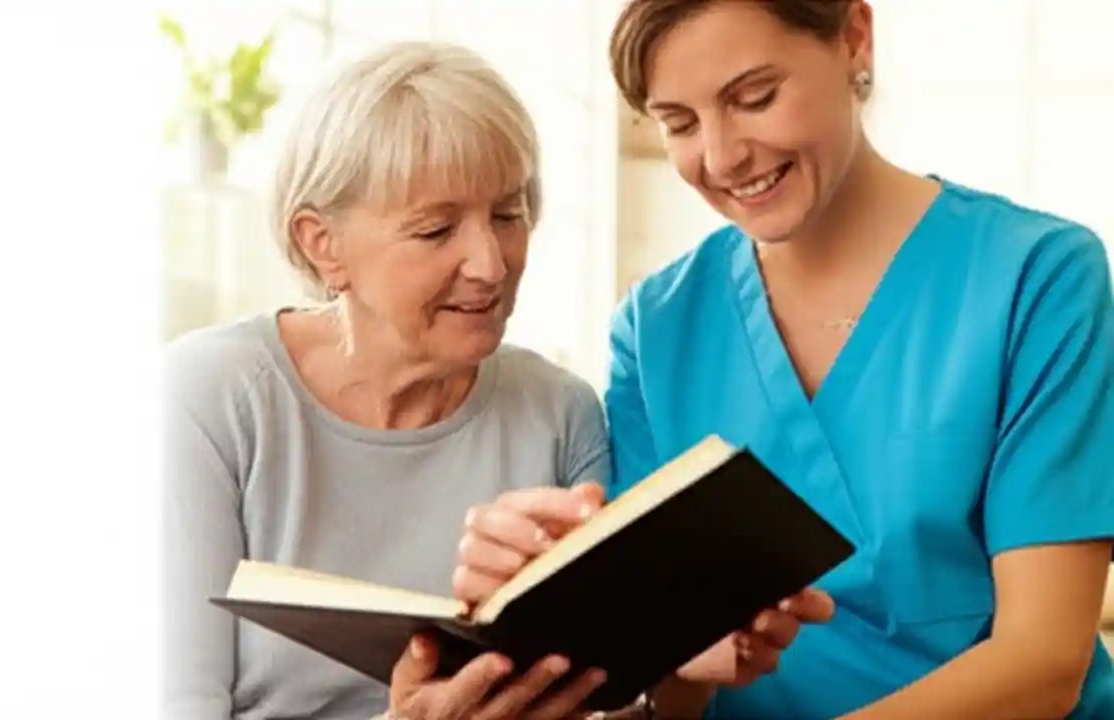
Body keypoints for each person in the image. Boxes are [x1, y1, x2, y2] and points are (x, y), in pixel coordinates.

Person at [455, 1, 1114, 718]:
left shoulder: (1037, 278)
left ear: (855, 38)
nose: (721, 156)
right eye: (679, 122)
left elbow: (1044, 663)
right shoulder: (656, 328)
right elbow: (671, 688)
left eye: (754, 98)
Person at [162, 40, 824, 720]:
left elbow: (621, 709)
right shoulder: (209, 395)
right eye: (435, 229)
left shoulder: (560, 411)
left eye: (508, 215)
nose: (489, 262)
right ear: (321, 244)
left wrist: (682, 670)